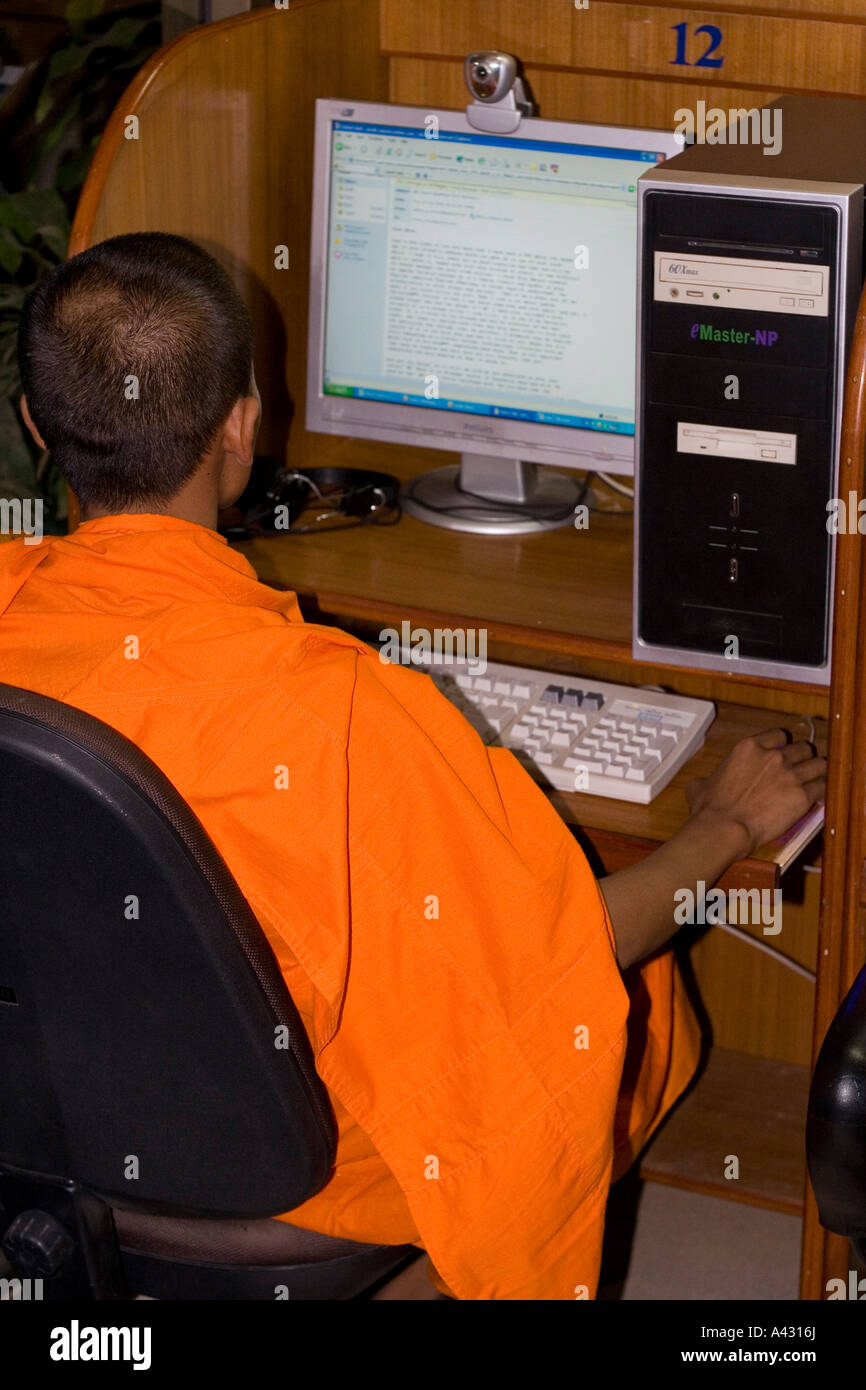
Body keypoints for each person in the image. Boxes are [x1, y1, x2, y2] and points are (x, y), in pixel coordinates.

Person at [0, 233, 826, 1300]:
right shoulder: (337, 708)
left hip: (48, 1113)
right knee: (636, 995)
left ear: (35, 429)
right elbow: (563, 956)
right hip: (292, 1165)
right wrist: (722, 825)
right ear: (242, 426)